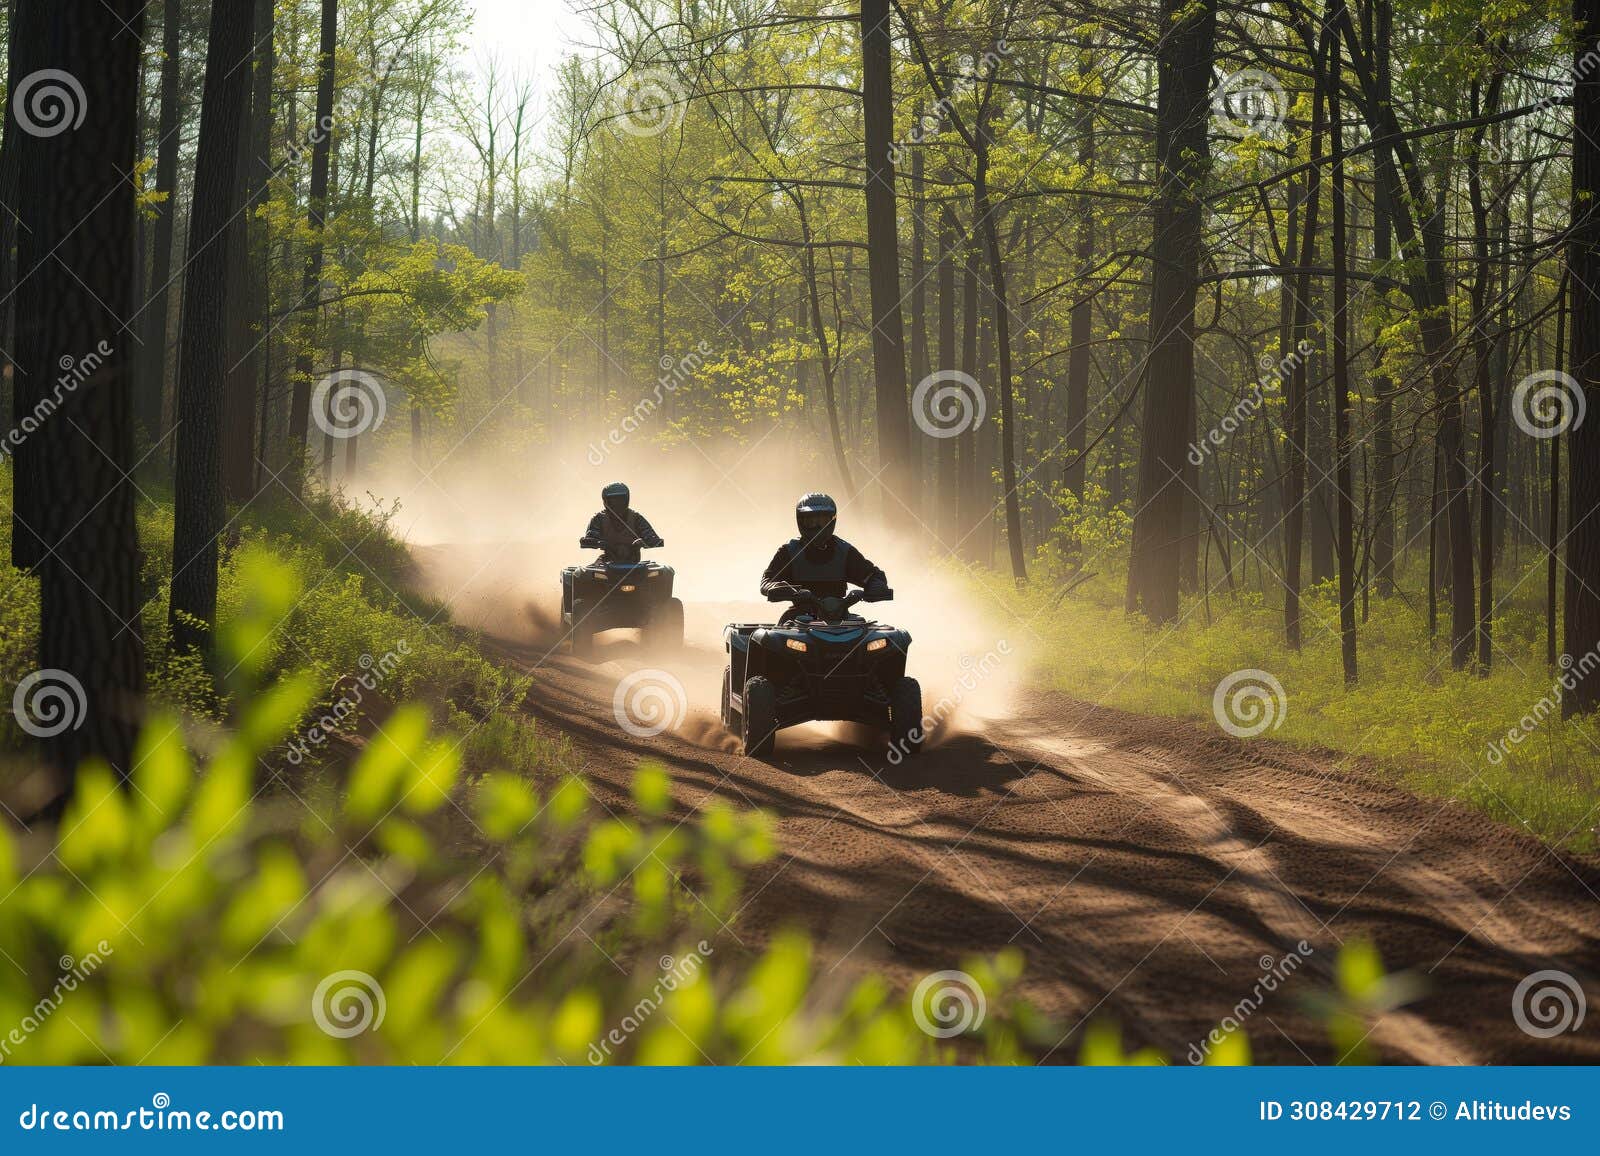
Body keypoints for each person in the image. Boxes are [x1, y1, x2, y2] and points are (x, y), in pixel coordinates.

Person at [760, 492, 889, 618]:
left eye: (822, 521)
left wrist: (874, 588)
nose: (817, 526)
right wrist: (781, 589)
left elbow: (874, 576)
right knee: (774, 638)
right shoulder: (789, 551)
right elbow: (767, 581)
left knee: (884, 636)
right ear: (800, 521)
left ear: (833, 520)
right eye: (811, 521)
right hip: (798, 620)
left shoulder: (844, 551)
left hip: (840, 618)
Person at [581, 482, 663, 563]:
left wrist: (644, 541)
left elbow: (652, 537)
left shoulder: (636, 518)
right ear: (606, 501)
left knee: (665, 571)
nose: (617, 504)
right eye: (613, 500)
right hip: (607, 564)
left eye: (620, 500)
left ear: (627, 500)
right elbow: (591, 537)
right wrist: (596, 542)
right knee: (582, 574)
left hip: (634, 565)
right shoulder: (599, 519)